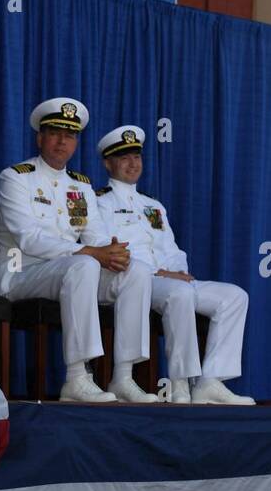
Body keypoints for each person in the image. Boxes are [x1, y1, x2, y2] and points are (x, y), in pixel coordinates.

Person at [0, 97, 156, 402]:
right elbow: (29, 239)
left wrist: (114, 251)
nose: (62, 142)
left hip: (66, 273)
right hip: (19, 272)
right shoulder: (15, 177)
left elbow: (97, 236)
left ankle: (123, 376)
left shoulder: (81, 186)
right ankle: (77, 378)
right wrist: (93, 253)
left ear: (77, 142)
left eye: (70, 135)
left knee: (138, 272)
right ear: (40, 137)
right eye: (55, 133)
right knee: (85, 265)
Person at [95, 125, 253, 404]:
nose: (133, 164)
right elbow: (113, 251)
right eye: (124, 158)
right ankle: (181, 385)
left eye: (137, 157)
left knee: (235, 296)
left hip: (170, 278)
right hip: (137, 281)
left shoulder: (153, 206)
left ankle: (210, 381)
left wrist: (179, 270)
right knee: (178, 293)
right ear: (108, 163)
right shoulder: (100, 202)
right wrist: (163, 273)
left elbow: (171, 248)